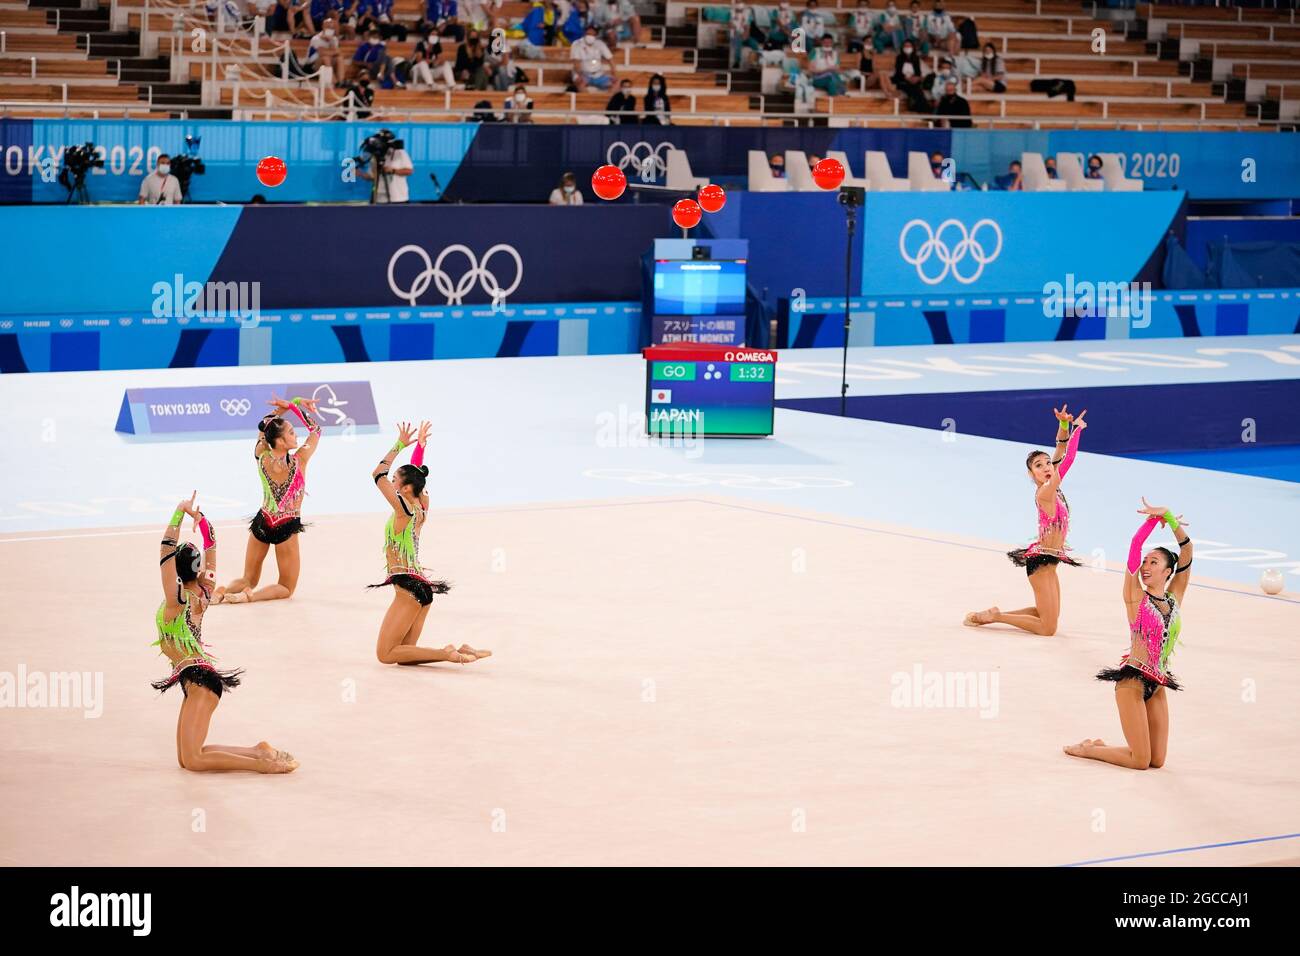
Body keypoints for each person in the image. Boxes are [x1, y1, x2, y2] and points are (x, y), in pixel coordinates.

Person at [152, 494, 298, 773]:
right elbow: (212, 546)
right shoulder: (205, 590)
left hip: (200, 680)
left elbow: (165, 551)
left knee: (194, 760)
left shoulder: (177, 599)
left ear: (178, 574)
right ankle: (258, 751)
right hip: (195, 679)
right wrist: (202, 521)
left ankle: (263, 766)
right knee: (187, 759)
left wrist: (178, 514)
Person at [1065, 499, 1193, 770]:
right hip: (1132, 683)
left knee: (1157, 761)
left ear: (1168, 572)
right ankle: (1089, 750)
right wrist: (1149, 523)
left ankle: (1100, 746)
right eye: (1145, 561)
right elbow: (1135, 548)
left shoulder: (1175, 598)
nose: (1146, 566)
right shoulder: (1136, 597)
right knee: (1140, 761)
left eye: (1154, 562)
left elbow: (1187, 550)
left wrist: (1169, 518)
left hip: (1157, 684)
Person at [369, 422, 490, 666]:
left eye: (395, 481)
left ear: (403, 489)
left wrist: (399, 445)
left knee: (385, 655)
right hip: (421, 588)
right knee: (405, 654)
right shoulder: (422, 505)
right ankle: (459, 650)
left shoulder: (402, 509)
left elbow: (377, 474)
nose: (390, 483)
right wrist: (420, 448)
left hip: (407, 587)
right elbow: (417, 477)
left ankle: (446, 653)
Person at [965, 406, 1087, 636]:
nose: (1046, 467)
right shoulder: (1045, 493)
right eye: (1038, 466)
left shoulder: (1054, 485)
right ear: (1032, 475)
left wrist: (1063, 425)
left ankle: (994, 614)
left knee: (1048, 615)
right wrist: (1078, 430)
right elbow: (1068, 458)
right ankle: (997, 617)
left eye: (1047, 463)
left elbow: (1061, 450)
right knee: (1048, 629)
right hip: (1040, 564)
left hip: (1051, 562)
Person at [215, 397, 321, 604]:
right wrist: (293, 406)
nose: (295, 434)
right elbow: (315, 430)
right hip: (286, 526)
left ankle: (221, 592)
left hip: (263, 522)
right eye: (291, 432)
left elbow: (265, 425)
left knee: (249, 578)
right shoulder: (299, 461)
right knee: (286, 587)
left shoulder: (261, 455)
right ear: (281, 441)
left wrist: (287, 407)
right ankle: (249, 596)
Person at [358, 134, 414, 203]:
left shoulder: (399, 152)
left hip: (398, 197)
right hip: (379, 198)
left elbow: (409, 171)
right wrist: (359, 173)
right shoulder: (375, 157)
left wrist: (393, 170)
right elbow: (372, 177)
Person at [571, 23, 616, 92]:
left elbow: (610, 59)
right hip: (583, 74)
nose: (590, 36)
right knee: (580, 83)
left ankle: (607, 101)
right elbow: (576, 63)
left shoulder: (600, 44)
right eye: (589, 34)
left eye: (593, 34)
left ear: (596, 35)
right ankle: (587, 102)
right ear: (584, 34)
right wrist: (580, 75)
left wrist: (613, 73)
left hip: (598, 75)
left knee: (617, 83)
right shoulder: (577, 44)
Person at [307, 17, 346, 85]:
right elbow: (321, 53)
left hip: (329, 62)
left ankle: (341, 82)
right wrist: (332, 52)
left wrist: (331, 42)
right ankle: (335, 82)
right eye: (327, 26)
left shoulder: (334, 39)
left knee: (339, 58)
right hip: (313, 65)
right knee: (325, 58)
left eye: (331, 26)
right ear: (323, 26)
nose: (330, 27)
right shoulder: (316, 39)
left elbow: (338, 52)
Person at [893, 38, 926, 111]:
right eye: (906, 46)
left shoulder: (916, 58)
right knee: (912, 88)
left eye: (909, 46)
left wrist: (916, 78)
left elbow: (918, 72)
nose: (907, 48)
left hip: (913, 80)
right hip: (902, 80)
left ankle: (921, 107)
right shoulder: (899, 58)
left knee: (917, 89)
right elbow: (898, 72)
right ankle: (919, 107)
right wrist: (907, 78)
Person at [728, 0, 758, 70]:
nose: (739, 11)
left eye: (741, 9)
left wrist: (745, 35)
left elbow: (747, 28)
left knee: (754, 44)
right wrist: (734, 27)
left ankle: (755, 63)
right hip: (735, 37)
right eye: (738, 9)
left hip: (745, 36)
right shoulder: (731, 13)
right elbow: (730, 25)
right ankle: (737, 62)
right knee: (738, 40)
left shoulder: (747, 15)